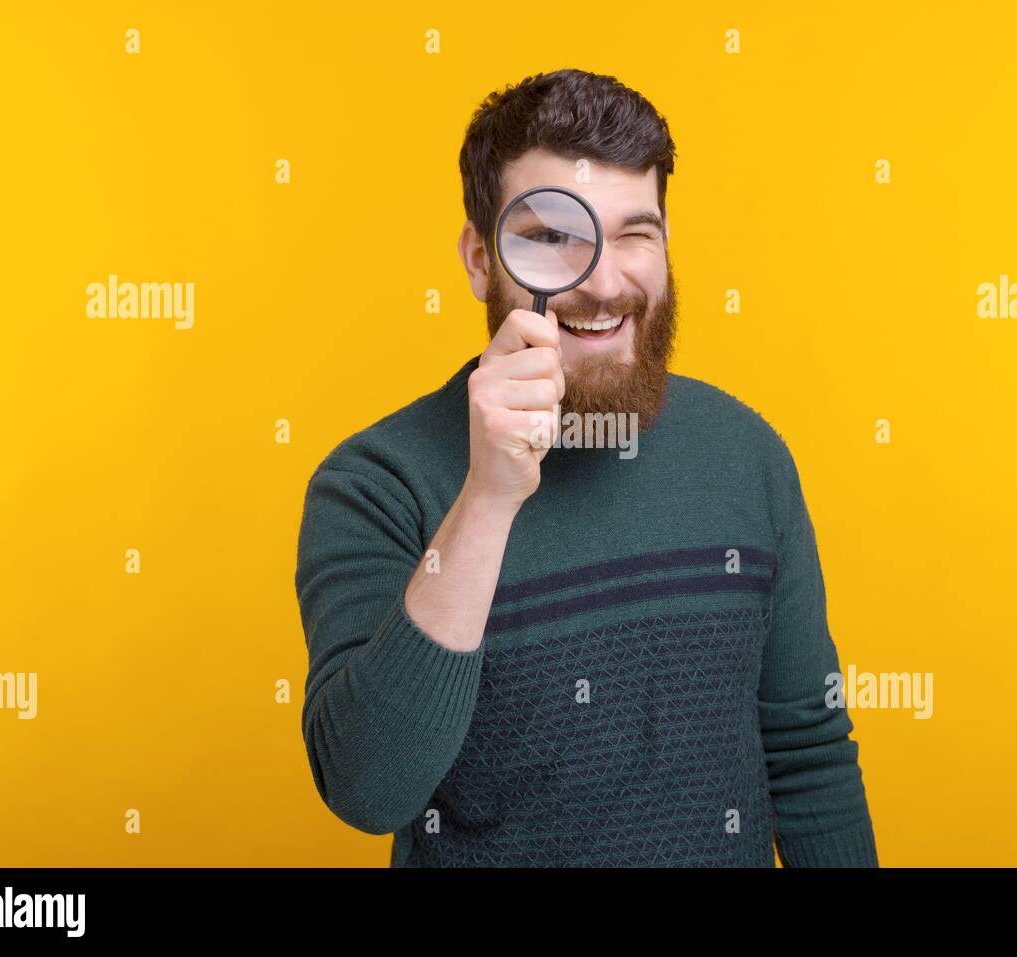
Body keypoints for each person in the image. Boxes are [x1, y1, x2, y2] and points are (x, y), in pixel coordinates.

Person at [295, 68, 878, 867]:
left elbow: (809, 758)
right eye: (552, 236)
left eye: (635, 233)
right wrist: (490, 497)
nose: (604, 284)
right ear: (479, 259)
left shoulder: (748, 455)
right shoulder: (375, 484)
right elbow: (368, 788)